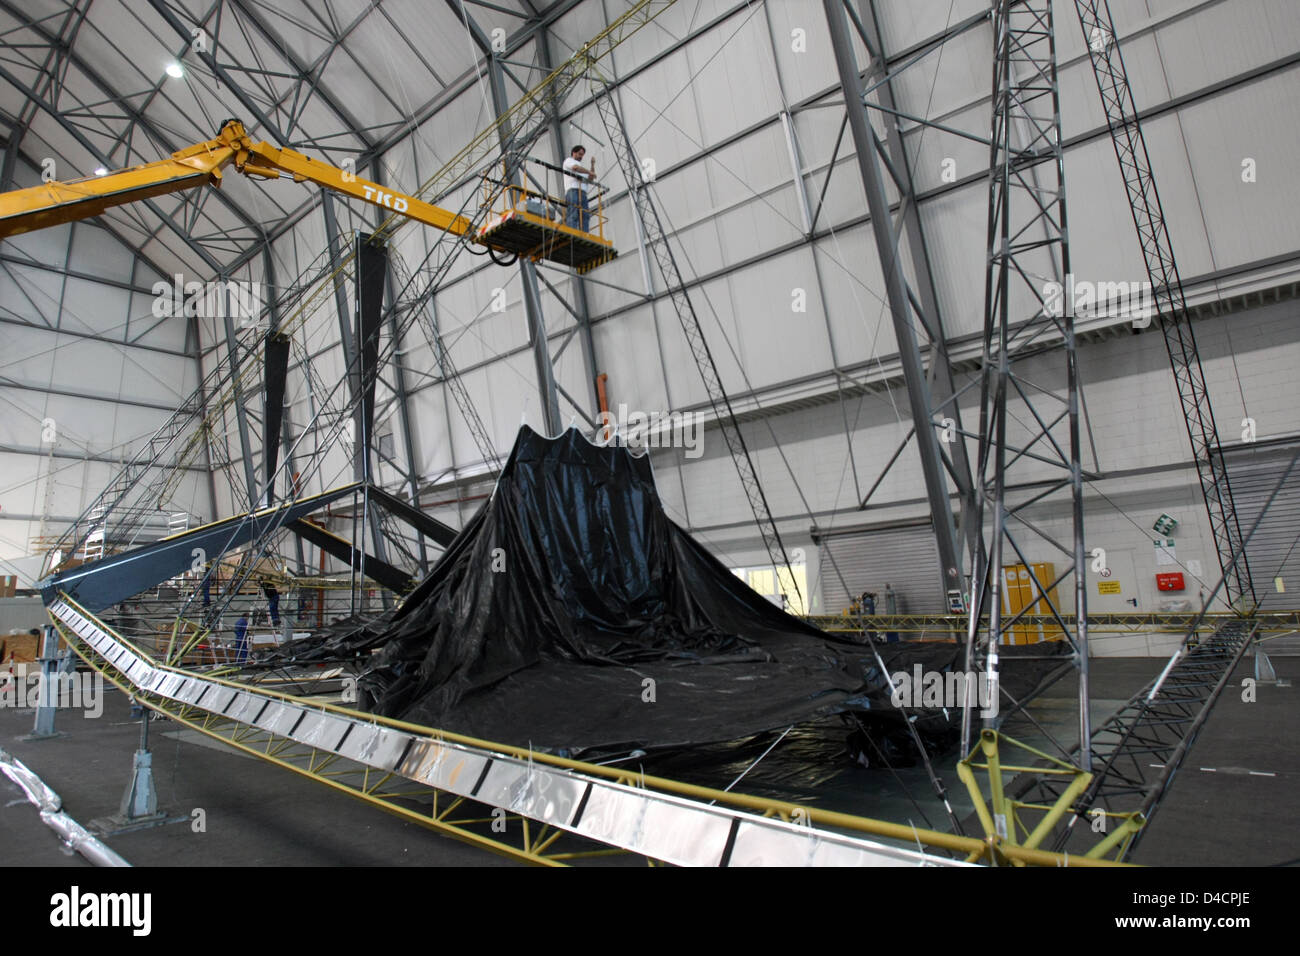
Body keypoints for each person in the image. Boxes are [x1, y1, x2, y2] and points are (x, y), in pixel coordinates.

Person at [563, 145, 596, 232]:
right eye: (579, 154)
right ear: (574, 153)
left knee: (585, 215)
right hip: (572, 189)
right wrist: (589, 171)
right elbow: (575, 168)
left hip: (583, 192)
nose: (581, 156)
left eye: (582, 155)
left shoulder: (582, 168)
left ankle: (584, 233)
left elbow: (590, 179)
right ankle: (572, 231)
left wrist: (592, 165)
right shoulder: (569, 161)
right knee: (573, 212)